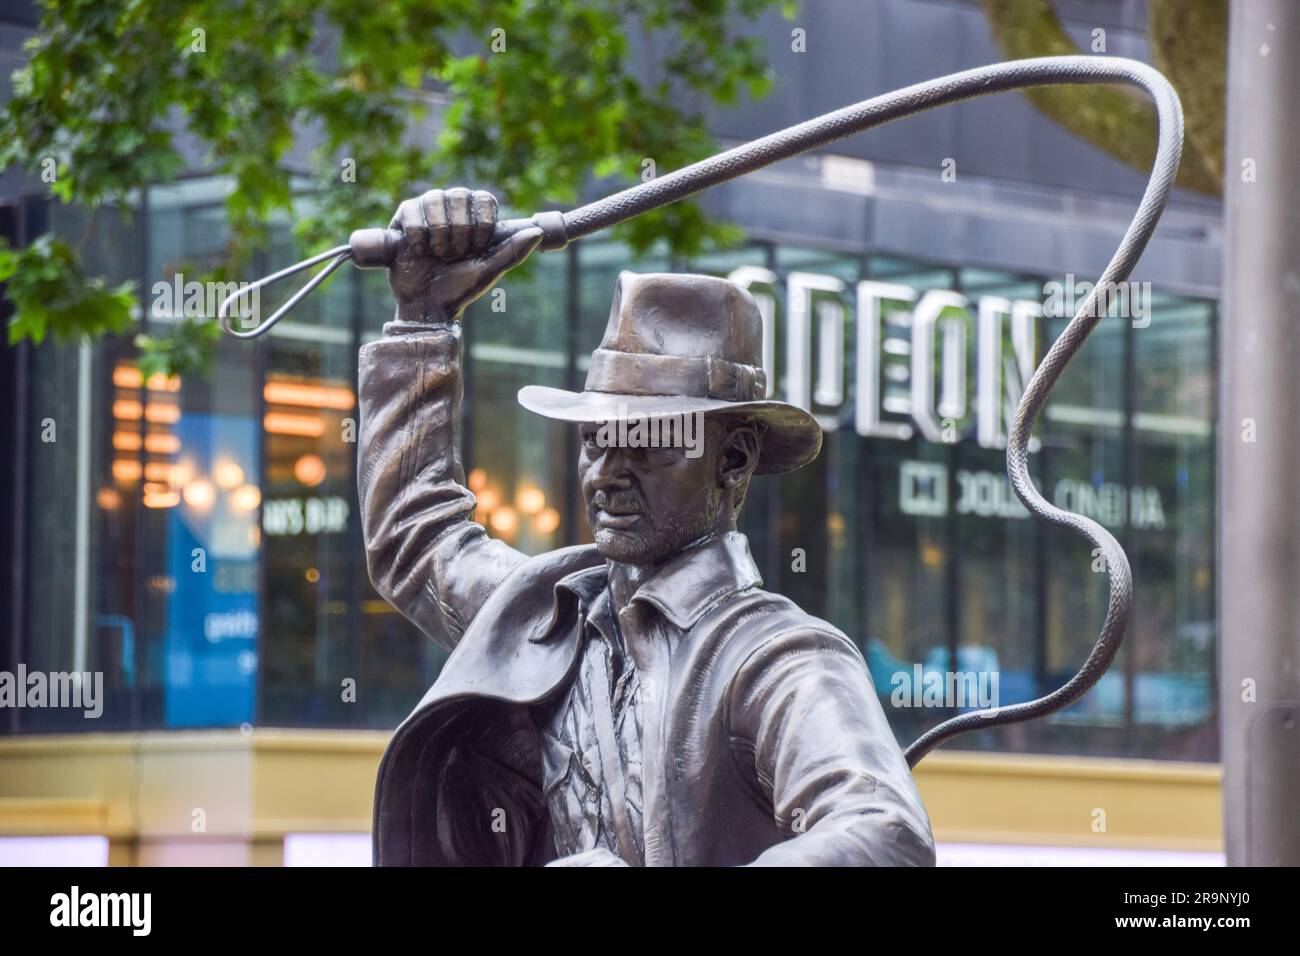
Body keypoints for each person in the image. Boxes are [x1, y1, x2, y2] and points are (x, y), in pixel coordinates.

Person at [360, 187, 935, 866]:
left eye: (649, 442)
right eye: (597, 439)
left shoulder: (778, 657)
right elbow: (414, 531)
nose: (608, 472)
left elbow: (883, 834)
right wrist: (424, 321)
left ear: (734, 458)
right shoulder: (542, 615)